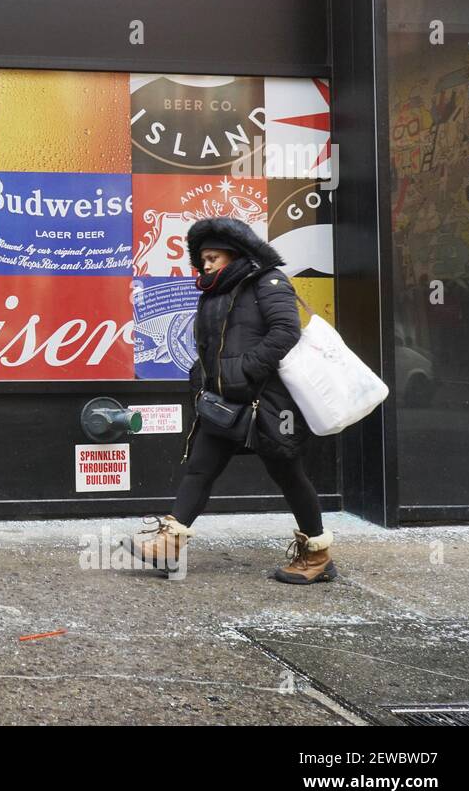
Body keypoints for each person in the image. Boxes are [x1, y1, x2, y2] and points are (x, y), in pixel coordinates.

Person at [127, 217, 337, 583]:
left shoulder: (268, 282)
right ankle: (169, 546)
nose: (205, 265)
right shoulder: (215, 293)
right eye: (203, 259)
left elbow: (286, 331)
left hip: (267, 401)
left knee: (289, 475)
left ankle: (317, 555)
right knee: (200, 468)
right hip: (223, 402)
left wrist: (242, 370)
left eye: (213, 258)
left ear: (235, 254)